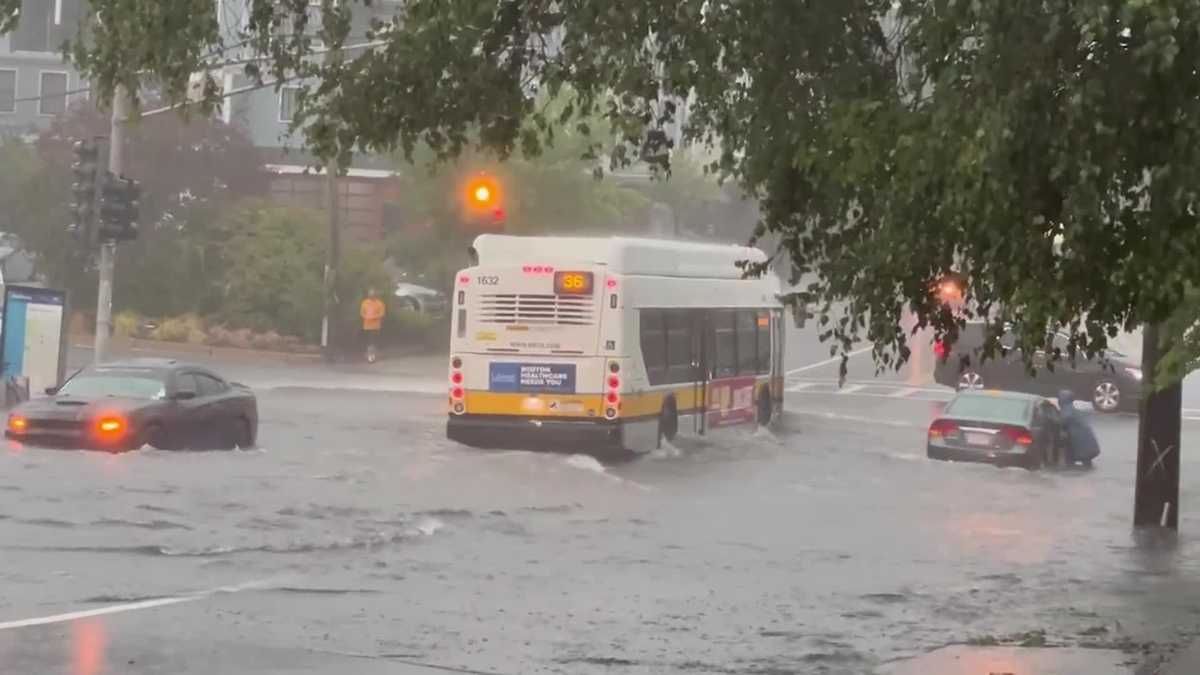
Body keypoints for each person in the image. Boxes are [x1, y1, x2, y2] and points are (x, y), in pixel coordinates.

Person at [1057, 389, 1100, 467]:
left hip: (1082, 450)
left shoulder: (1066, 411)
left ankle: (1069, 463)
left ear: (1061, 401)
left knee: (1062, 437)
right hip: (1092, 448)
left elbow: (1062, 422)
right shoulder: (1075, 411)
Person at [360, 289, 386, 363]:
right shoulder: (365, 302)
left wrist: (374, 317)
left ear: (375, 295)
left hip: (375, 326)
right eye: (370, 294)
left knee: (373, 341)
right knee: (368, 341)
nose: (371, 296)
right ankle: (369, 354)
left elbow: (382, 313)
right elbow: (362, 312)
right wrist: (365, 316)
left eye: (373, 294)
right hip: (366, 325)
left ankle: (372, 355)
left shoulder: (379, 303)